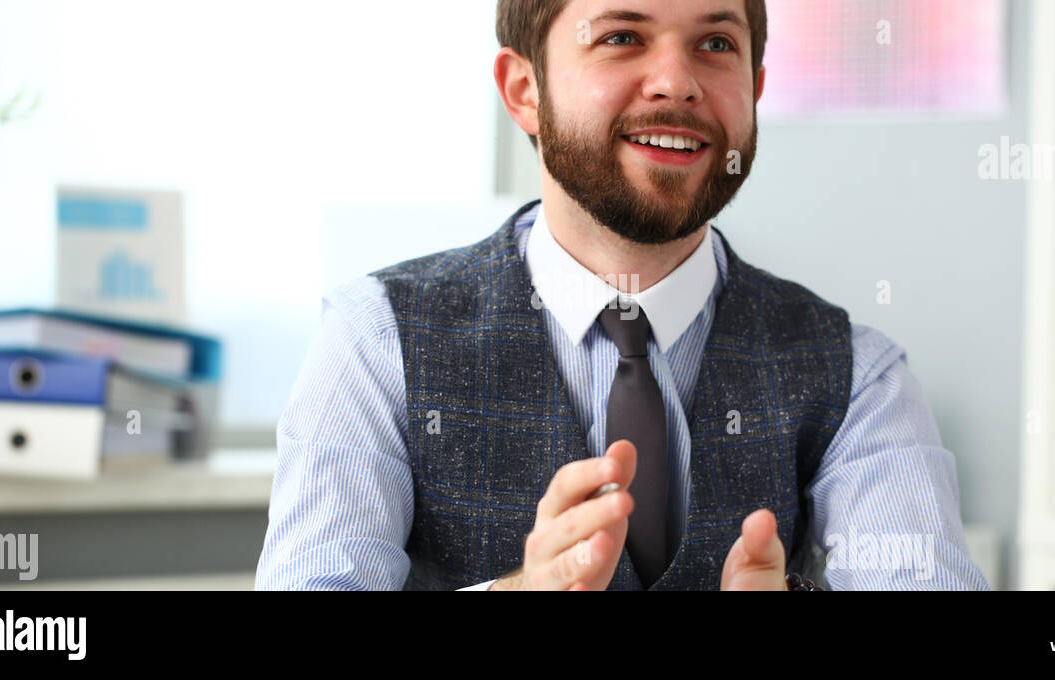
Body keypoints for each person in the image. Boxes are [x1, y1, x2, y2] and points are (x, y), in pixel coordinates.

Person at [255, 0, 990, 591]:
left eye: (716, 44)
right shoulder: (374, 340)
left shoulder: (861, 374)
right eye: (621, 36)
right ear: (524, 91)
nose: (677, 81)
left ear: (755, 90)